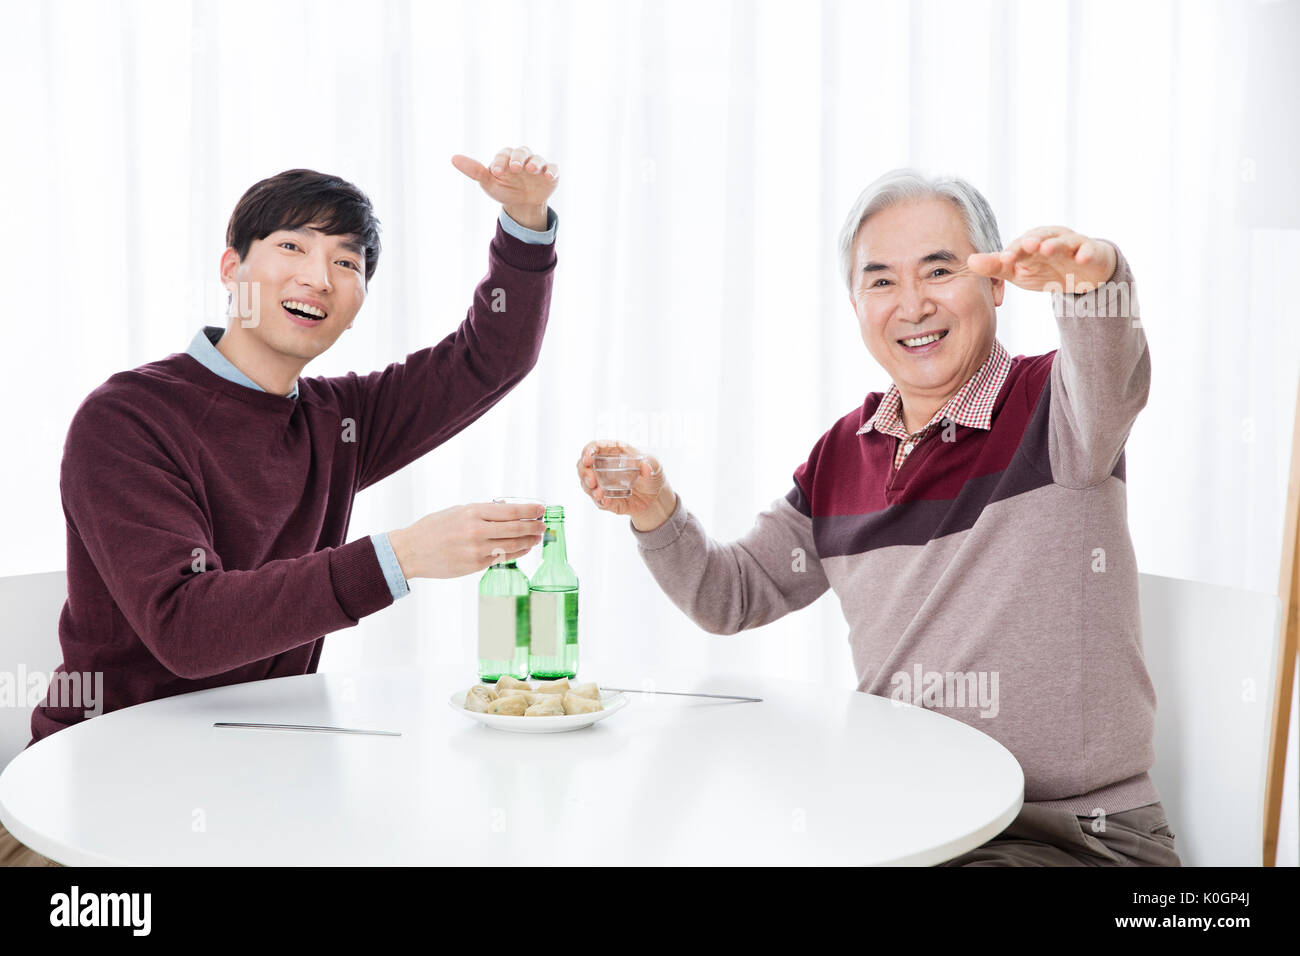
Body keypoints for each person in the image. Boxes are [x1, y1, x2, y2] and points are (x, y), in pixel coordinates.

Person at [575, 168, 1180, 866]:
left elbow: (1112, 370)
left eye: (940, 270)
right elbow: (730, 596)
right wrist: (656, 512)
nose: (913, 304)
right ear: (856, 304)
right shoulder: (843, 453)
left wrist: (1093, 282)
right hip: (905, 820)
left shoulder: (1059, 408)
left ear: (996, 285)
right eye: (882, 281)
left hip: (1069, 836)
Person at [0, 147, 559, 867]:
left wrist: (523, 224)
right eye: (291, 245)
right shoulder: (128, 418)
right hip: (91, 810)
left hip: (255, 789)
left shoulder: (338, 420)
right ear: (231, 269)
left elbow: (488, 360)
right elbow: (187, 627)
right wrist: (403, 556)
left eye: (347, 263)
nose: (317, 276)